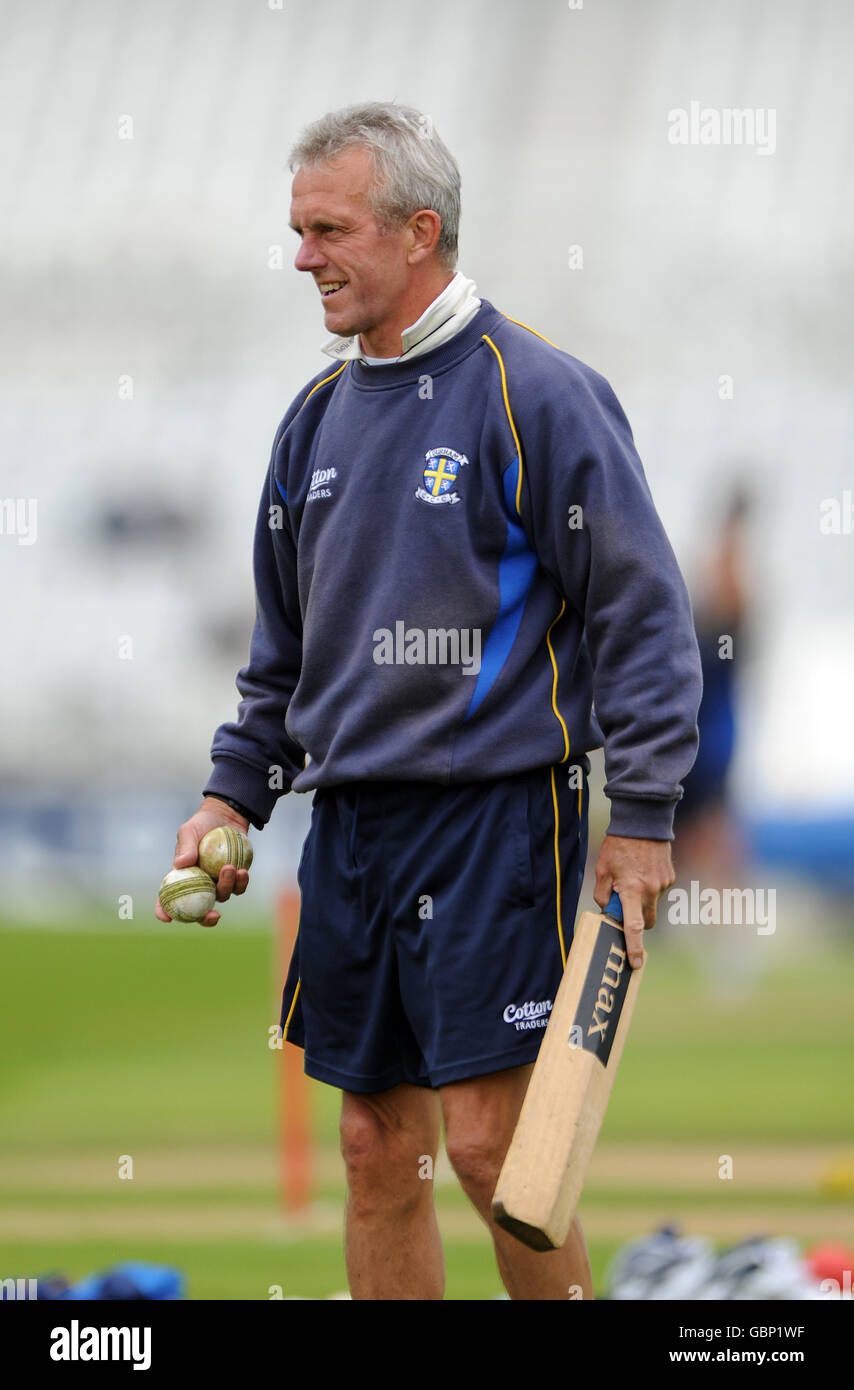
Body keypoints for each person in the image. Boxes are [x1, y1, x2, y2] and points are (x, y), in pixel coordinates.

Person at [156, 101, 702, 1300]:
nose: (302, 256)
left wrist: (647, 814)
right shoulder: (311, 419)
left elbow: (642, 613)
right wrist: (226, 797)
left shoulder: (538, 390)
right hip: (349, 830)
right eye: (296, 230)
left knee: (494, 1147)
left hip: (494, 819)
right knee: (372, 1152)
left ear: (417, 230)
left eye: (326, 228)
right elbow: (283, 659)